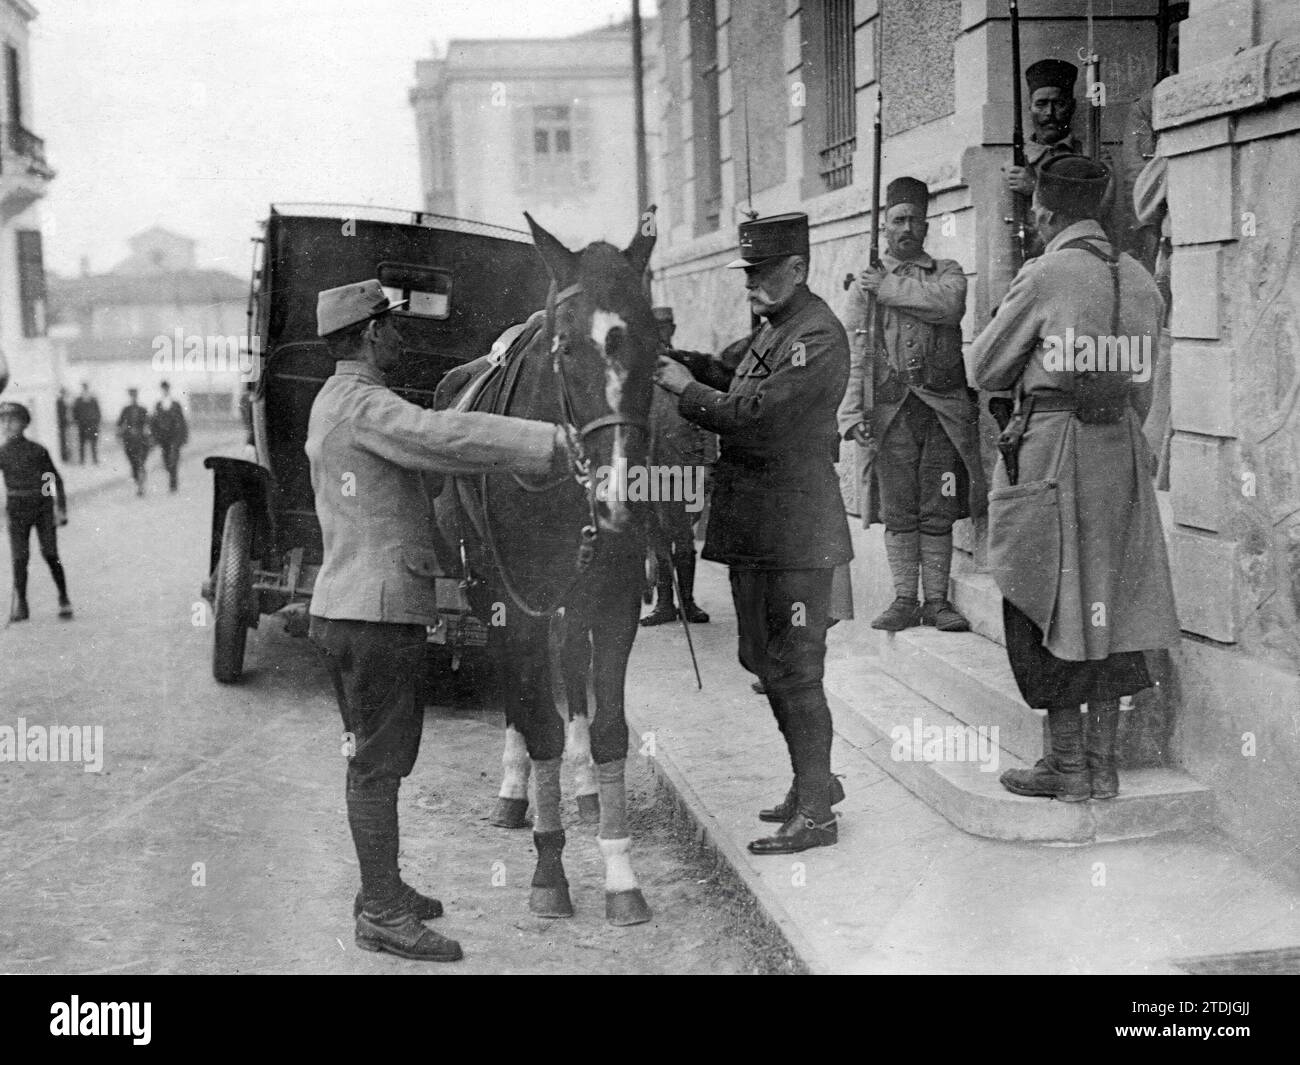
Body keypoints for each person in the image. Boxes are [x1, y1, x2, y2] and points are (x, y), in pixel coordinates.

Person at [306, 278, 575, 962]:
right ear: (369, 333)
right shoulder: (364, 404)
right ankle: (383, 914)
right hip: (375, 611)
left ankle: (382, 889)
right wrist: (547, 441)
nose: (400, 336)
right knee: (379, 764)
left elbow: (403, 473)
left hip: (353, 607)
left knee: (374, 757)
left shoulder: (336, 400)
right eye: (392, 326)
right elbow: (442, 434)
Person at [967, 155, 1179, 803]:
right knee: (1112, 605)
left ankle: (1065, 764)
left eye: (1034, 210)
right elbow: (1146, 384)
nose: (1031, 219)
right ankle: (1103, 765)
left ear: (1047, 213)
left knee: (1044, 598)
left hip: (1054, 453)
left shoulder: (1046, 274)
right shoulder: (1141, 279)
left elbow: (984, 368)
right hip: (1120, 454)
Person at [654, 213, 852, 855]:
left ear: (797, 267)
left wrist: (685, 392)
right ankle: (812, 780)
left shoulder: (816, 335)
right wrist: (673, 360)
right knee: (763, 660)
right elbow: (725, 372)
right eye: (749, 274)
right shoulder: (777, 329)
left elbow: (757, 416)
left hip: (795, 532)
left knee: (794, 667)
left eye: (762, 273)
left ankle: (817, 808)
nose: (751, 285)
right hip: (761, 529)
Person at [838, 176, 987, 632]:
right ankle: (905, 599)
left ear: (926, 227)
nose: (907, 228)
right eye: (898, 220)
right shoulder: (865, 284)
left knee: (938, 503)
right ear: (884, 228)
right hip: (890, 412)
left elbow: (948, 307)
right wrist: (851, 411)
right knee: (900, 507)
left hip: (941, 410)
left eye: (914, 221)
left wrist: (885, 288)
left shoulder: (947, 272)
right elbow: (855, 349)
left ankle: (937, 601)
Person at [640, 306, 715, 626]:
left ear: (673, 328)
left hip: (683, 466)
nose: (660, 334)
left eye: (665, 328)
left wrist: (708, 465)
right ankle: (663, 605)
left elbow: (708, 418)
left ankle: (688, 603)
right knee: (655, 538)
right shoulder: (635, 372)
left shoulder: (688, 370)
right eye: (653, 328)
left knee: (683, 537)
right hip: (643, 469)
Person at [1004, 59, 1121, 256]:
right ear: (1029, 108)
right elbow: (1004, 238)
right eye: (1041, 104)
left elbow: (1100, 210)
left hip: (1086, 261)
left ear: (1072, 107)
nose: (1050, 113)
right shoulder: (1016, 163)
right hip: (1033, 269)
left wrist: (1037, 189)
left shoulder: (1093, 154)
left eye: (1059, 103)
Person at [0, 402, 72, 622]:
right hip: (17, 510)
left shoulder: (37, 450)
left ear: (24, 423)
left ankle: (64, 597)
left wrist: (59, 508)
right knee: (20, 558)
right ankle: (21, 604)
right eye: (4, 420)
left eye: (13, 420)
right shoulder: (2, 453)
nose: (8, 424)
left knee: (50, 553)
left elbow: (51, 479)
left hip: (41, 508)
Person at [149, 380, 189, 493]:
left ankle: (173, 483)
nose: (165, 391)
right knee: (166, 461)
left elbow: (181, 421)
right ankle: (171, 474)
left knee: (174, 459)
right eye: (163, 389)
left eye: (166, 389)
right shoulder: (158, 404)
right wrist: (154, 436)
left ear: (169, 390)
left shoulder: (176, 404)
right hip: (163, 438)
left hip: (174, 437)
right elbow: (154, 422)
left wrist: (183, 437)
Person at [116, 388, 151, 496]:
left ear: (137, 396)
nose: (133, 398)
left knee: (140, 462)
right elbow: (119, 423)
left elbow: (147, 424)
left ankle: (141, 486)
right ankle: (138, 481)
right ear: (130, 396)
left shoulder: (142, 409)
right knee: (133, 463)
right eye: (132, 395)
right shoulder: (126, 410)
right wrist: (120, 433)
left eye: (135, 395)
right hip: (129, 440)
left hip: (141, 440)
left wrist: (148, 435)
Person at [72, 382, 101, 466]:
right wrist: (77, 421)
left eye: (86, 388)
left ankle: (95, 460)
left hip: (92, 424)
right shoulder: (78, 400)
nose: (85, 389)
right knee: (82, 443)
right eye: (83, 388)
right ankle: (82, 460)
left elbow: (98, 412)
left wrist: (96, 422)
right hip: (82, 425)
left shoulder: (93, 399)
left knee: (93, 443)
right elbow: (75, 412)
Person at [55, 388, 72, 464]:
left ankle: (67, 457)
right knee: (63, 441)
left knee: (67, 441)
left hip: (66, 424)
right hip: (62, 424)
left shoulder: (65, 402)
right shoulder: (59, 402)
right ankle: (64, 457)